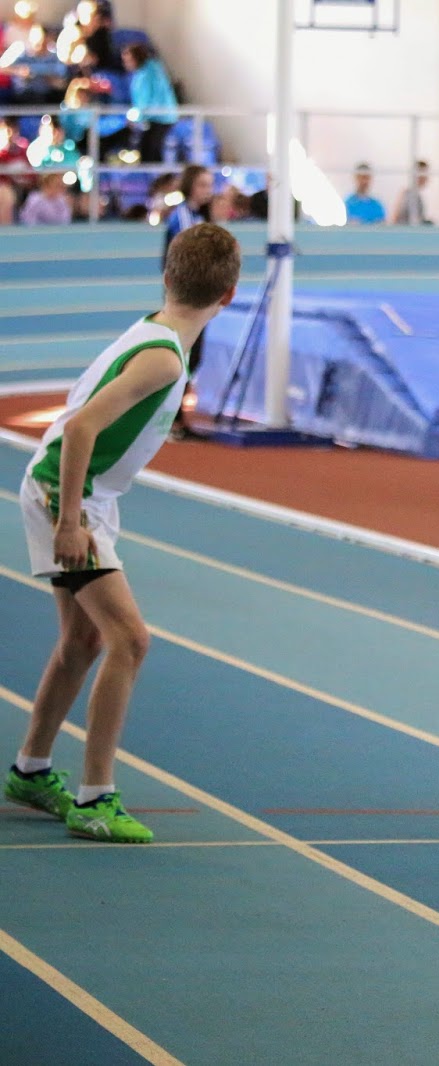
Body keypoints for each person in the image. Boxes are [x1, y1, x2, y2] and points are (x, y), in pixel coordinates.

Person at [5, 222, 240, 843]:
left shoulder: (156, 332)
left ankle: (30, 769)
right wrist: (68, 520)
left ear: (166, 276)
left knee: (81, 640)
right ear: (231, 295)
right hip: (68, 491)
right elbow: (81, 429)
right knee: (129, 640)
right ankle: (96, 797)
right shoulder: (164, 358)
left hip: (81, 492)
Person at [163, 163, 212, 437]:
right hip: (187, 301)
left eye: (210, 184)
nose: (209, 190)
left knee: (192, 359)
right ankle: (170, 419)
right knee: (182, 359)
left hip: (198, 300)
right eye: (203, 184)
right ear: (190, 186)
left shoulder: (198, 217)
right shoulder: (182, 216)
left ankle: (177, 417)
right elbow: (188, 257)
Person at [392, 159, 430, 225]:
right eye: (423, 174)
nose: (425, 178)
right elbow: (395, 218)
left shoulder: (416, 196)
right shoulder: (407, 194)